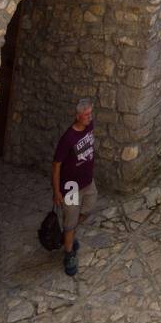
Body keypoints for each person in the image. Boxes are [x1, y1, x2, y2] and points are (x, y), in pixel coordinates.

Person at [52, 98, 97, 277]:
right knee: (70, 223)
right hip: (71, 187)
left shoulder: (89, 126)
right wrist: (57, 191)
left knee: (89, 209)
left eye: (90, 114)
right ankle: (69, 254)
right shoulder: (68, 138)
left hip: (88, 182)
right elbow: (56, 165)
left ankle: (67, 235)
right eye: (86, 115)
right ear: (77, 116)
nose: (90, 117)